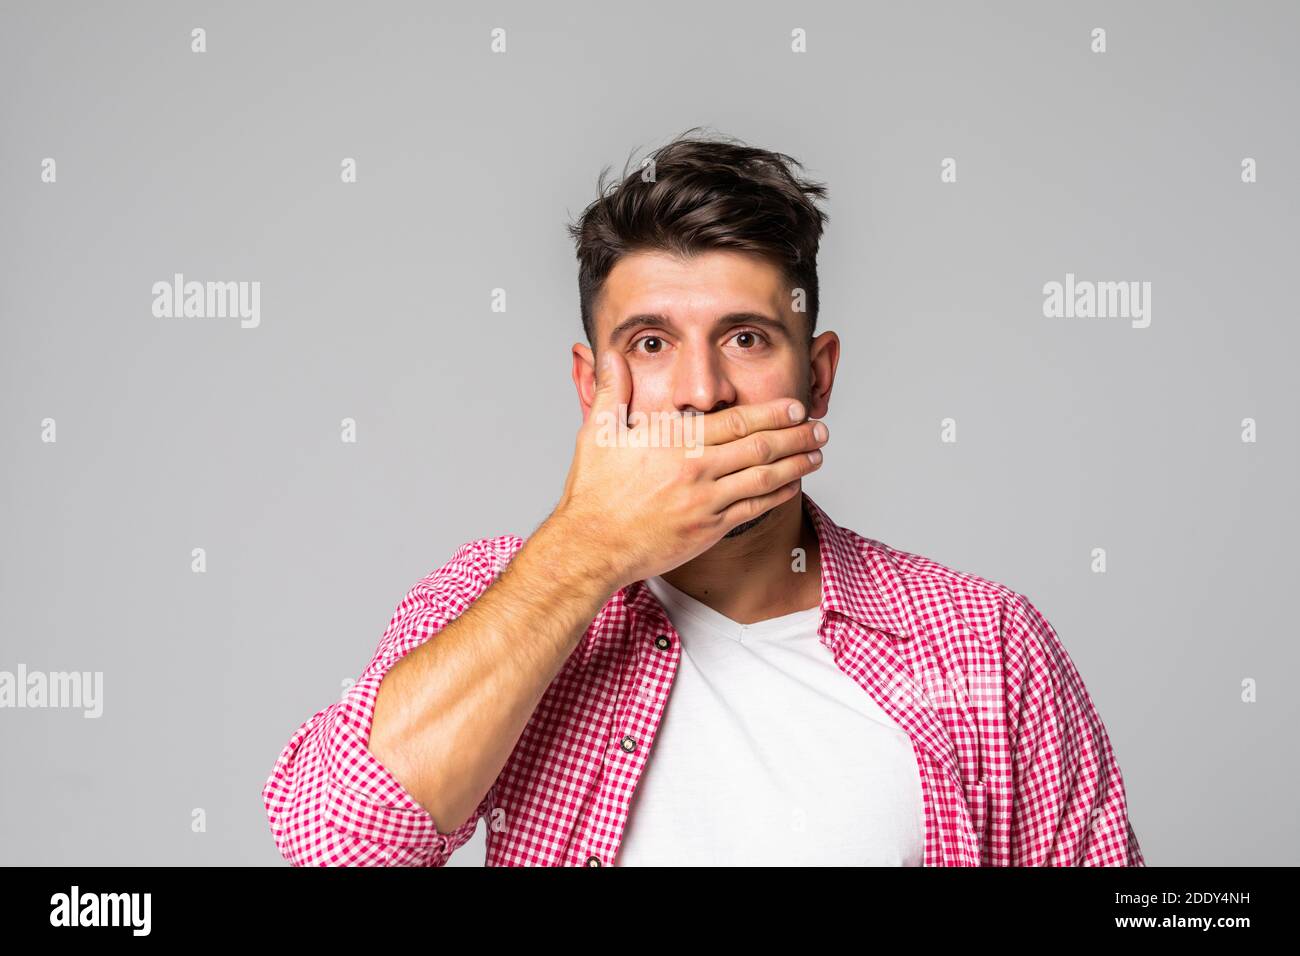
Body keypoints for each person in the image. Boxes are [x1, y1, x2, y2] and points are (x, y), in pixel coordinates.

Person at [261, 129, 1144, 867]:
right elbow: (335, 844)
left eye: (748, 338)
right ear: (589, 386)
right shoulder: (499, 597)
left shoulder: (983, 646)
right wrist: (587, 553)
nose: (702, 393)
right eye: (649, 343)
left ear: (819, 377)